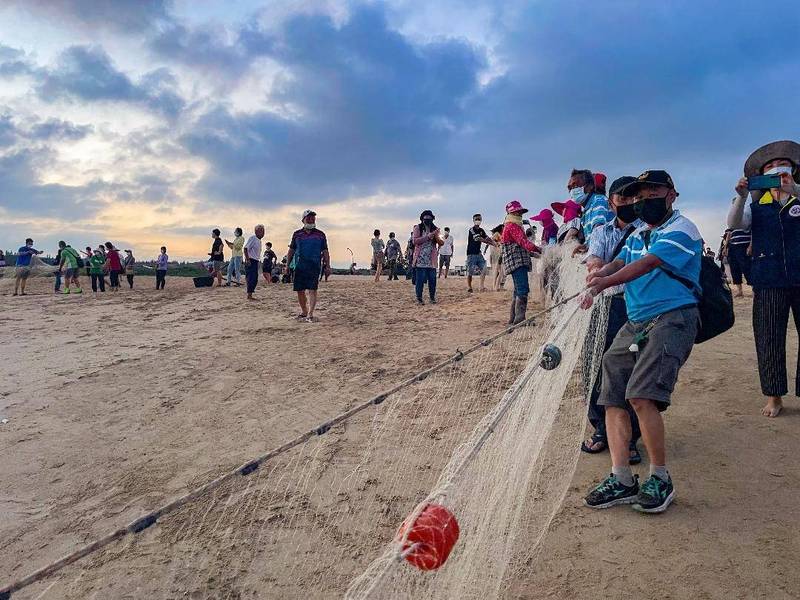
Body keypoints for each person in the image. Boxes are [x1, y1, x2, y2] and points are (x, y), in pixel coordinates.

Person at [582, 170, 701, 514]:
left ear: (671, 194)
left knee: (641, 394)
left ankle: (660, 478)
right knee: (612, 391)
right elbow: (625, 259)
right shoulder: (639, 233)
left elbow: (648, 264)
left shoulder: (682, 228)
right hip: (636, 321)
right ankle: (621, 478)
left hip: (672, 317)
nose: (643, 199)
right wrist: (601, 272)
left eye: (652, 192)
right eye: (638, 194)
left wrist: (606, 283)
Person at [728, 140, 800, 418]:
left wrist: (793, 190)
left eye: (783, 165)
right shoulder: (757, 204)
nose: (777, 169)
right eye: (770, 167)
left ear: (793, 169)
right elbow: (734, 223)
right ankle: (774, 396)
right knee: (769, 336)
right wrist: (742, 196)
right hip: (768, 278)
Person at [579, 176, 643, 464]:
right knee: (594, 366)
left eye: (634, 198)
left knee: (633, 372)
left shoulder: (646, 231)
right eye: (623, 198)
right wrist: (595, 270)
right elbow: (594, 258)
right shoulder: (601, 231)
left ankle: (630, 437)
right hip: (604, 306)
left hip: (636, 308)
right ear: (611, 202)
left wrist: (602, 272)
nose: (629, 203)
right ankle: (602, 429)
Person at [286, 210, 331, 321]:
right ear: (303, 220)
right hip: (299, 266)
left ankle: (310, 313)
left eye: (313, 218)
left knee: (312, 289)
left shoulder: (320, 234)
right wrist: (287, 265)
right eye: (308, 218)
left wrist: (328, 265)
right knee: (299, 290)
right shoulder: (297, 234)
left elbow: (325, 251)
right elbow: (291, 250)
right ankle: (304, 311)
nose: (311, 220)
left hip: (314, 266)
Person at [501, 201, 540, 324]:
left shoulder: (512, 225)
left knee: (517, 290)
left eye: (520, 212)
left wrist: (533, 254)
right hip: (517, 262)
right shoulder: (512, 226)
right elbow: (523, 242)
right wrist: (539, 249)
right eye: (516, 212)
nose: (519, 214)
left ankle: (513, 319)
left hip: (516, 262)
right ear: (510, 213)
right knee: (523, 289)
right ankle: (519, 319)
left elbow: (520, 245)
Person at [567, 168, 614, 243]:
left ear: (590, 186)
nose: (572, 190)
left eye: (576, 185)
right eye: (570, 188)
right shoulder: (585, 211)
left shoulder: (598, 201)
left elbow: (598, 231)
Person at [412, 210, 443, 304]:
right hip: (420, 259)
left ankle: (432, 298)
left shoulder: (435, 229)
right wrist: (428, 237)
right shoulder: (418, 228)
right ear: (422, 219)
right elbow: (415, 241)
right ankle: (419, 298)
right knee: (420, 280)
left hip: (431, 259)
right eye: (425, 218)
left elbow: (441, 243)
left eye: (429, 218)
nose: (427, 219)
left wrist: (436, 236)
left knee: (432, 280)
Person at [466, 214, 496, 292]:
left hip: (478, 254)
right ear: (473, 220)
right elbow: (479, 238)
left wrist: (493, 242)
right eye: (476, 219)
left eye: (479, 219)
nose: (478, 220)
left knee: (484, 268)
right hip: (471, 254)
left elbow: (487, 237)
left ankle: (481, 286)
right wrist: (492, 244)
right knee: (470, 272)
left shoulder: (482, 230)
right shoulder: (471, 230)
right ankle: (469, 287)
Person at [724, 226, 752, 298]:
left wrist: (751, 245)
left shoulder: (748, 216)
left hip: (744, 244)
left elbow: (753, 232)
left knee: (747, 268)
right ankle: (740, 291)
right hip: (733, 245)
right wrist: (725, 247)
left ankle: (754, 290)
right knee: (734, 268)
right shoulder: (733, 221)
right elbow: (729, 234)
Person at [244, 224, 265, 300]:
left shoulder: (259, 240)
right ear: (256, 231)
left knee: (254, 278)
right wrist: (248, 259)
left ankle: (250, 294)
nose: (263, 233)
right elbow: (245, 248)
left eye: (263, 231)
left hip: (255, 261)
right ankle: (249, 295)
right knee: (252, 278)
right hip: (251, 260)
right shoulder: (253, 238)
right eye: (261, 231)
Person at [489, 224, 505, 291]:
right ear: (501, 227)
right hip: (497, 255)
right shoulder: (497, 234)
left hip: (497, 255)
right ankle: (496, 287)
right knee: (499, 272)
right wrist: (499, 244)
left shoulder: (498, 234)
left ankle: (495, 286)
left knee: (498, 272)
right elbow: (493, 241)